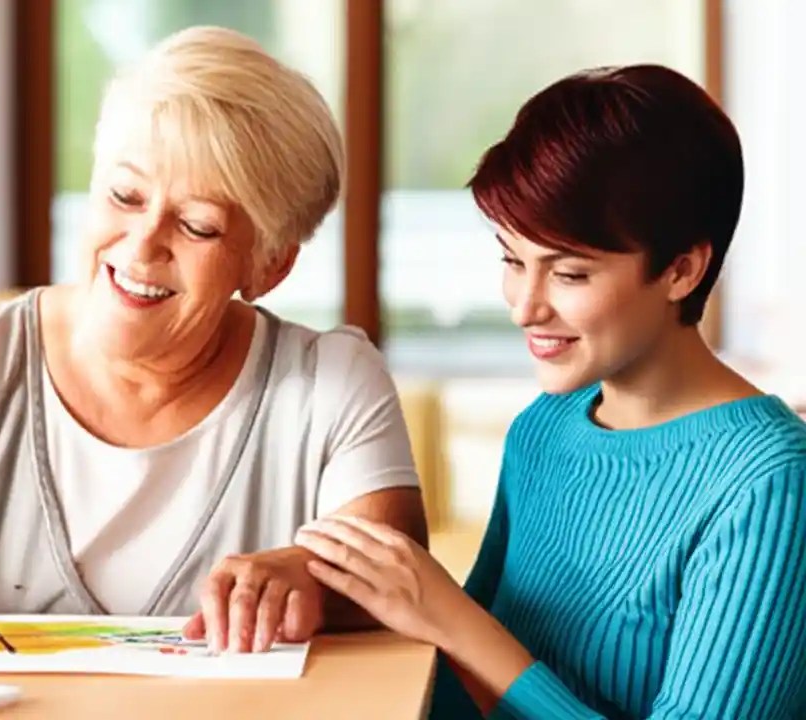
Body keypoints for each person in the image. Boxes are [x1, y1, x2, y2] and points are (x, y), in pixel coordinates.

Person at [0, 26, 427, 651]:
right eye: (125, 197)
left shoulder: (331, 385)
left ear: (268, 266)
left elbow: (403, 576)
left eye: (198, 226)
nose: (143, 245)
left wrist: (309, 579)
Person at [294, 65, 806, 718]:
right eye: (513, 261)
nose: (525, 307)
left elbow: (468, 636)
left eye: (568, 274)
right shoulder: (544, 428)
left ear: (682, 270)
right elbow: (460, 689)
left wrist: (456, 620)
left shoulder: (769, 483)